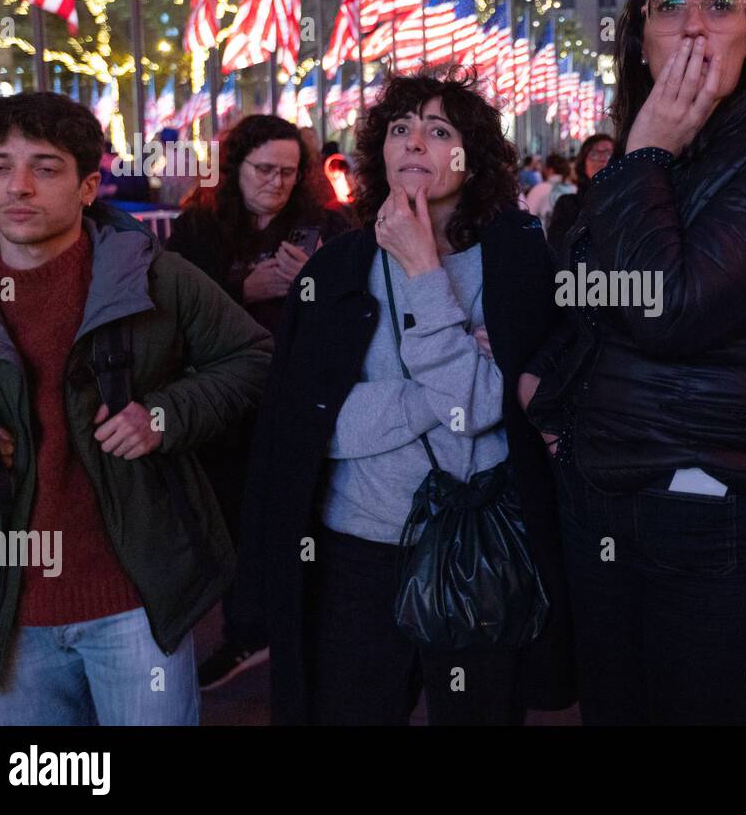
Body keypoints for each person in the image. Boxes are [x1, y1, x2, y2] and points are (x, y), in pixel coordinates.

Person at [520, 0, 746, 725]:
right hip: (604, 498)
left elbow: (668, 311)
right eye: (670, 6)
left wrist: (644, 155)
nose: (694, 24)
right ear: (640, 38)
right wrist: (553, 403)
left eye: (720, 4)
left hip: (714, 511)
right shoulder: (640, 156)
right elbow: (588, 301)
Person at [236, 69, 575, 725]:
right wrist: (464, 380)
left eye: (439, 130)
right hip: (355, 556)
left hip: (479, 547)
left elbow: (486, 413)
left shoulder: (521, 268)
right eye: (400, 129)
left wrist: (424, 272)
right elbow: (320, 428)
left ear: (470, 159)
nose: (415, 142)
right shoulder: (336, 269)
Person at [0, 91, 273, 725]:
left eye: (45, 168)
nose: (17, 186)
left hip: (135, 595)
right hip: (4, 601)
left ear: (87, 186)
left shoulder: (155, 276)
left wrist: (164, 416)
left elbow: (255, 359)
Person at [165, 114, 352, 690]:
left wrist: (312, 286)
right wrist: (242, 290)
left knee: (301, 517)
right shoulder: (200, 226)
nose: (277, 182)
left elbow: (361, 308)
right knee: (225, 518)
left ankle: (285, 633)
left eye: (290, 172)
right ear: (235, 167)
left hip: (298, 390)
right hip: (221, 396)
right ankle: (243, 628)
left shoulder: (328, 224)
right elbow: (170, 310)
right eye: (264, 169)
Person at [547, 133, 614, 253]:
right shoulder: (568, 204)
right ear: (583, 163)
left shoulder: (628, 201)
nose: (602, 159)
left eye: (609, 154)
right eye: (594, 154)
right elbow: (557, 246)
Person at [523, 153, 572, 230]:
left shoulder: (539, 189)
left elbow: (528, 216)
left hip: (543, 237)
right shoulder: (574, 189)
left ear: (550, 170)